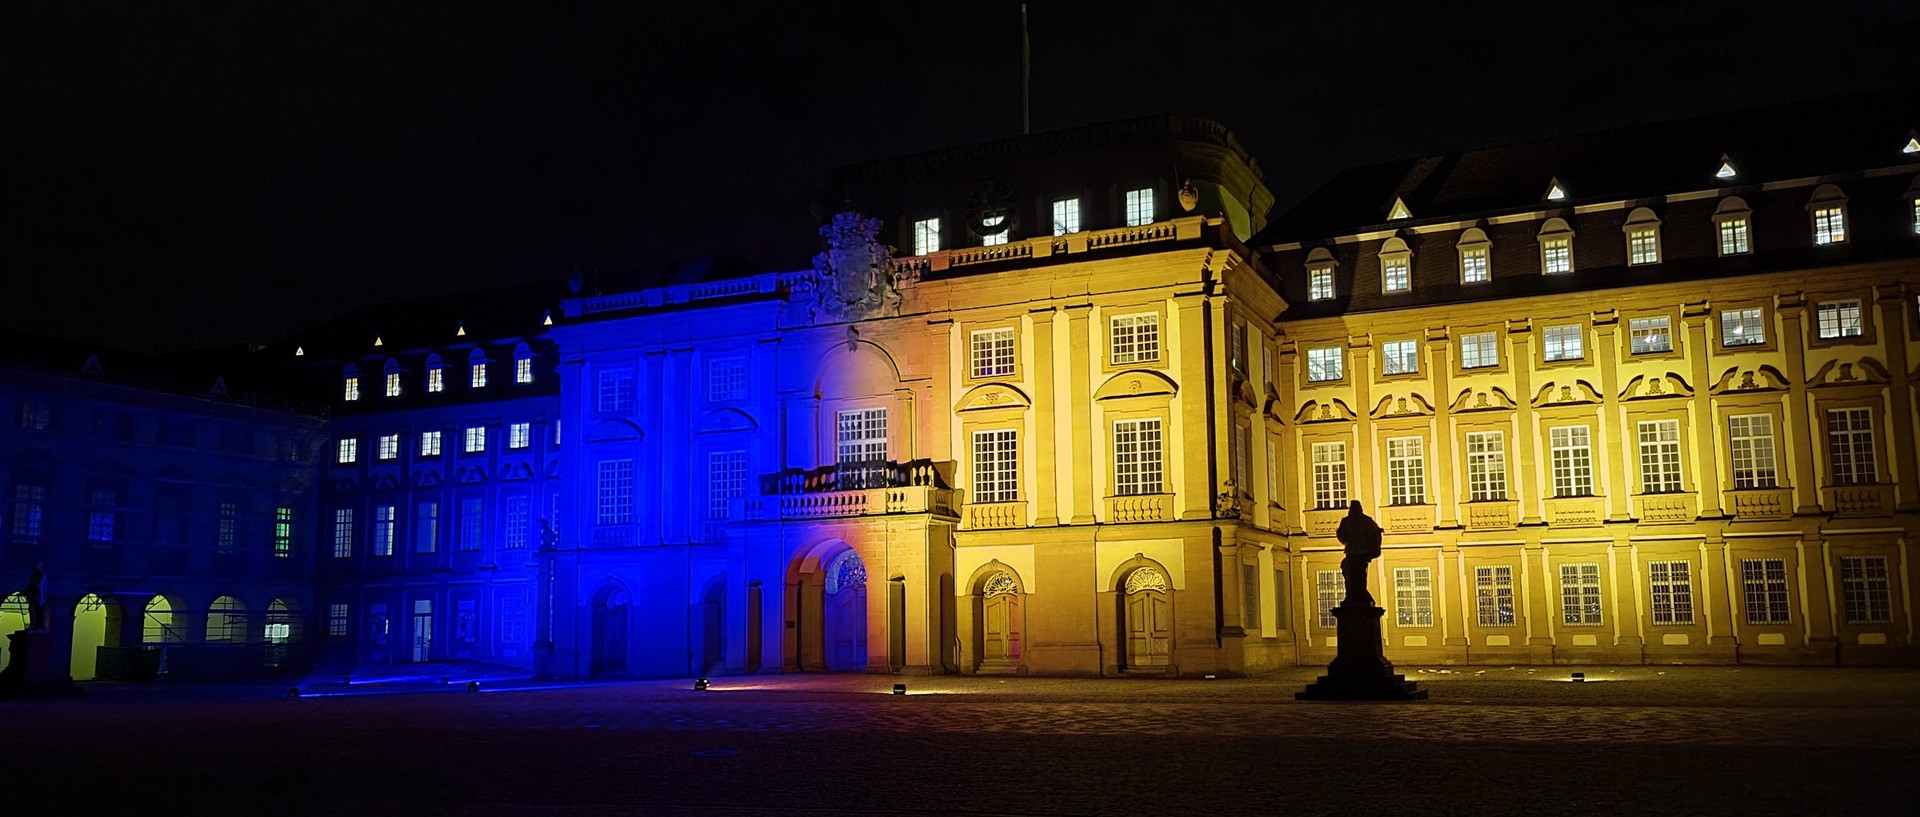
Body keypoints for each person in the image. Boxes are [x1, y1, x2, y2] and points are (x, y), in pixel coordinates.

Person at [1335, 502, 1382, 606]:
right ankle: (1355, 597)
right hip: (1361, 553)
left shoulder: (1348, 521)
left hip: (1355, 553)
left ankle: (1354, 597)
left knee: (1354, 577)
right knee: (1356, 576)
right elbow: (1375, 534)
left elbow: (1341, 536)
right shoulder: (1366, 521)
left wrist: (1347, 540)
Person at [24, 563, 45, 631]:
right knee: (35, 610)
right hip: (34, 596)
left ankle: (37, 625)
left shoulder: (39, 575)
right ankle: (35, 625)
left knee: (37, 610)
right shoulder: (36, 576)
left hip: (36, 596)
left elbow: (33, 585)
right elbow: (31, 585)